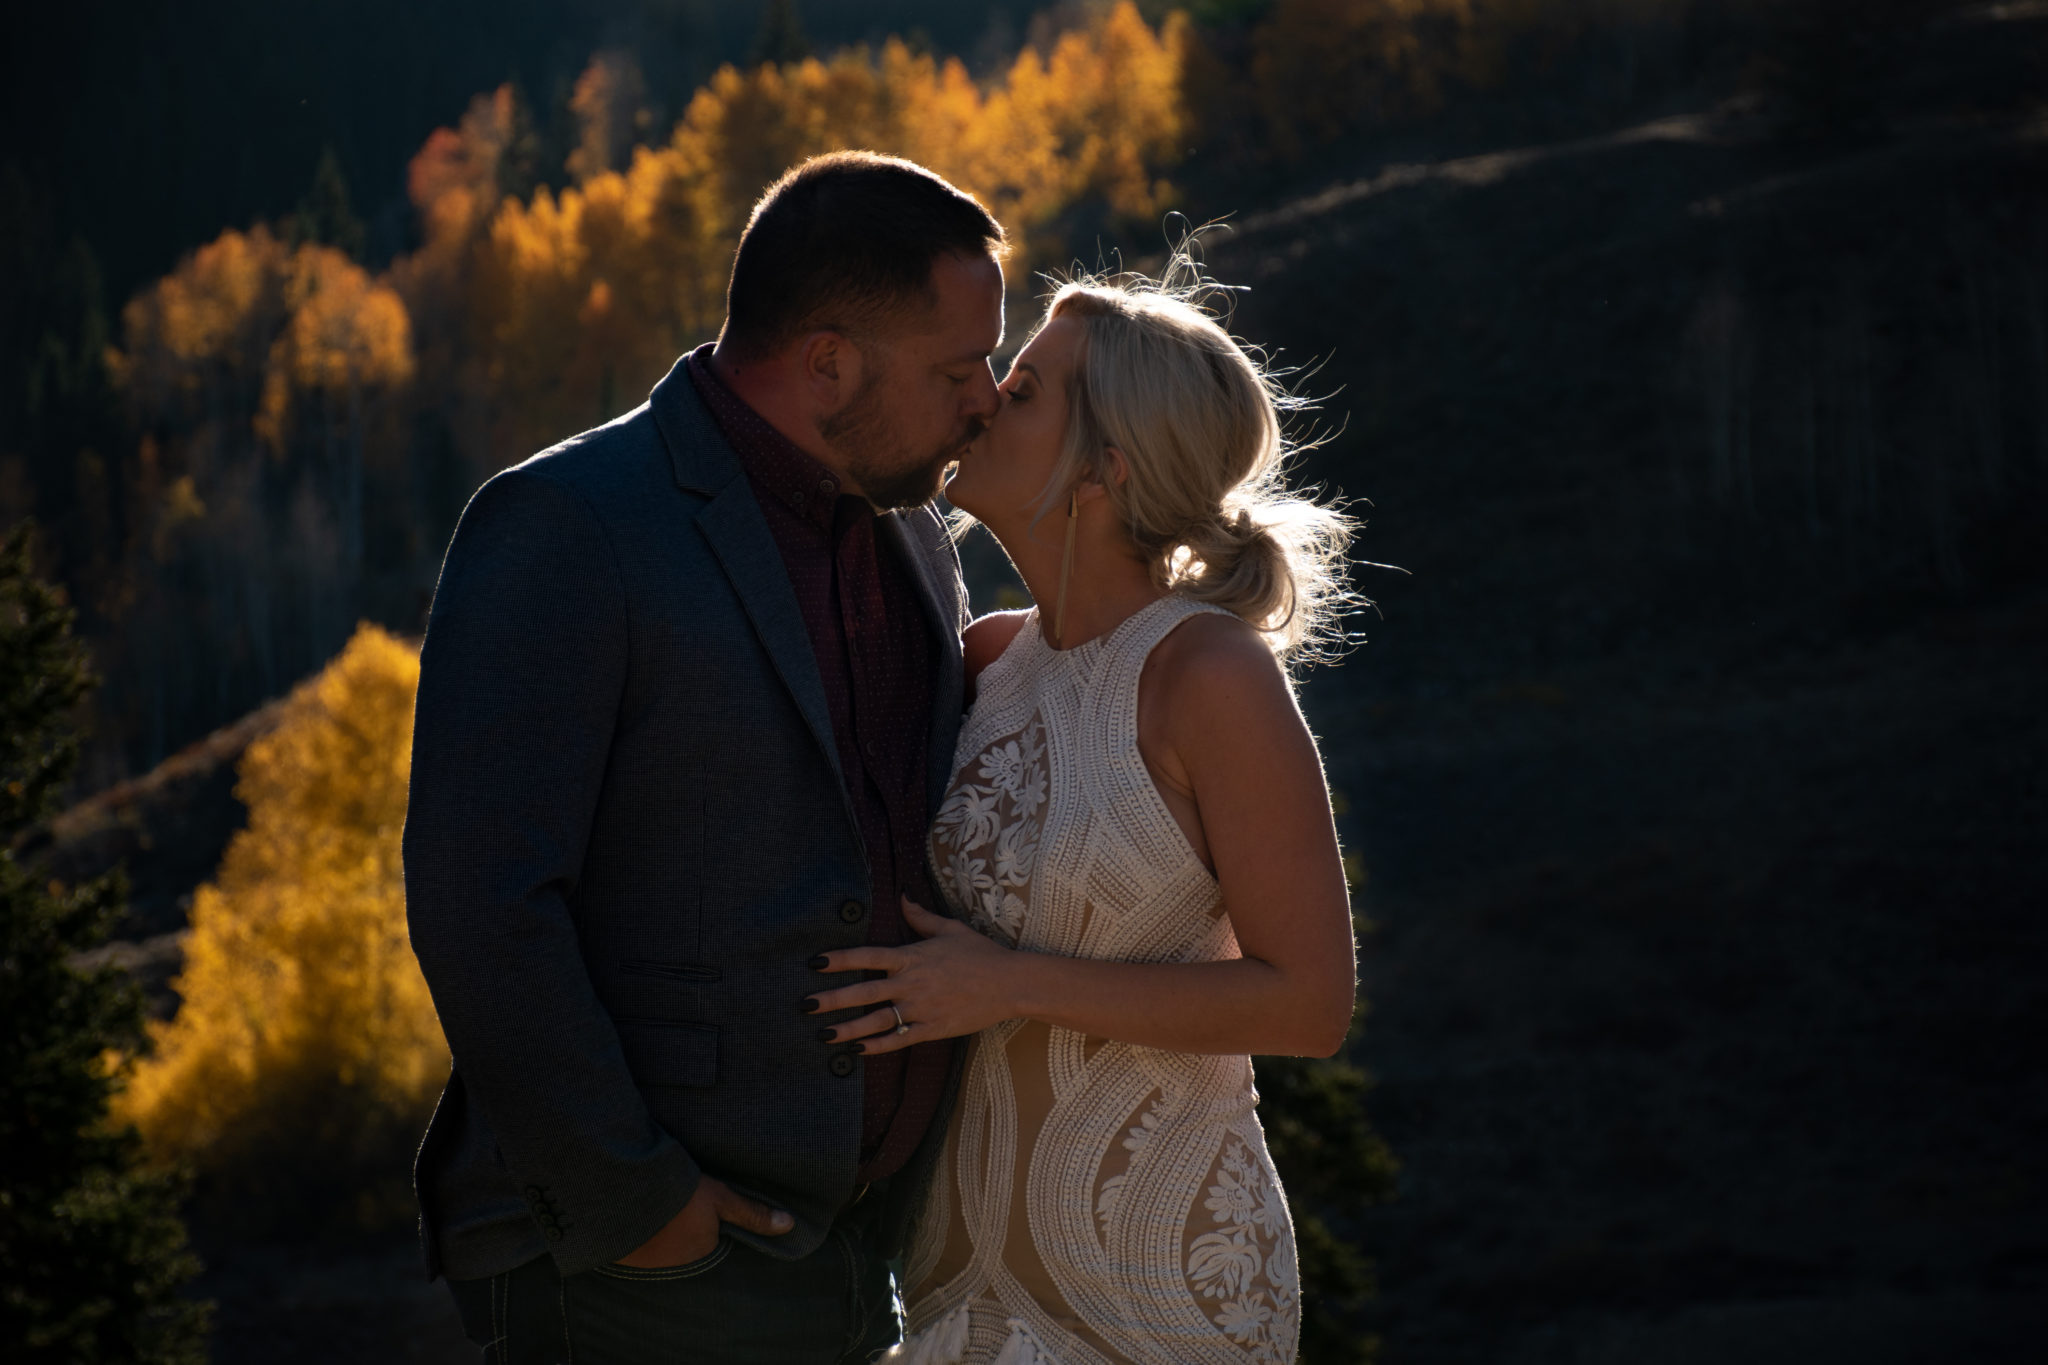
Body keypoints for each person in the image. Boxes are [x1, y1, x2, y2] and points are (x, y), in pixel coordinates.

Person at [402, 151, 1006, 1364]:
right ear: (826, 361)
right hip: (643, 1269)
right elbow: (482, 899)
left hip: (855, 1255)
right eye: (957, 369)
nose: (985, 398)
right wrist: (640, 1210)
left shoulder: (920, 543)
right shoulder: (569, 524)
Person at [803, 257, 1361, 1365]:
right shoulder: (985, 658)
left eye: (1021, 392)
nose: (979, 402)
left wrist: (1006, 985)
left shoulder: (1210, 677)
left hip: (1162, 1290)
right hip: (958, 1284)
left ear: (1099, 470)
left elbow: (1310, 1003)